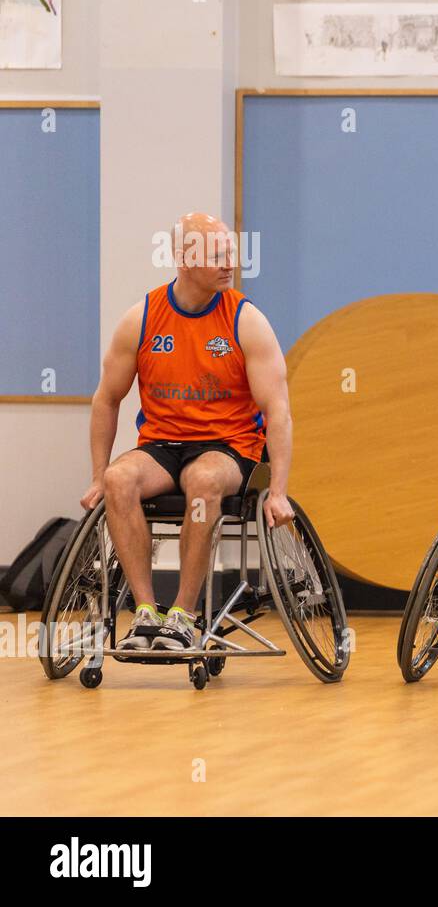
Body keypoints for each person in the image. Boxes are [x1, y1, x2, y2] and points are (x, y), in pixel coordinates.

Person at [80, 213, 294, 652]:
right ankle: (144, 613)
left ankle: (182, 614)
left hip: (228, 447)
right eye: (217, 255)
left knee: (203, 480)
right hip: (162, 445)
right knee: (120, 480)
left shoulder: (246, 321)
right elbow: (106, 399)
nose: (228, 263)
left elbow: (278, 410)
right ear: (182, 259)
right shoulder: (141, 319)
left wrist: (278, 491)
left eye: (230, 253)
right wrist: (99, 473)